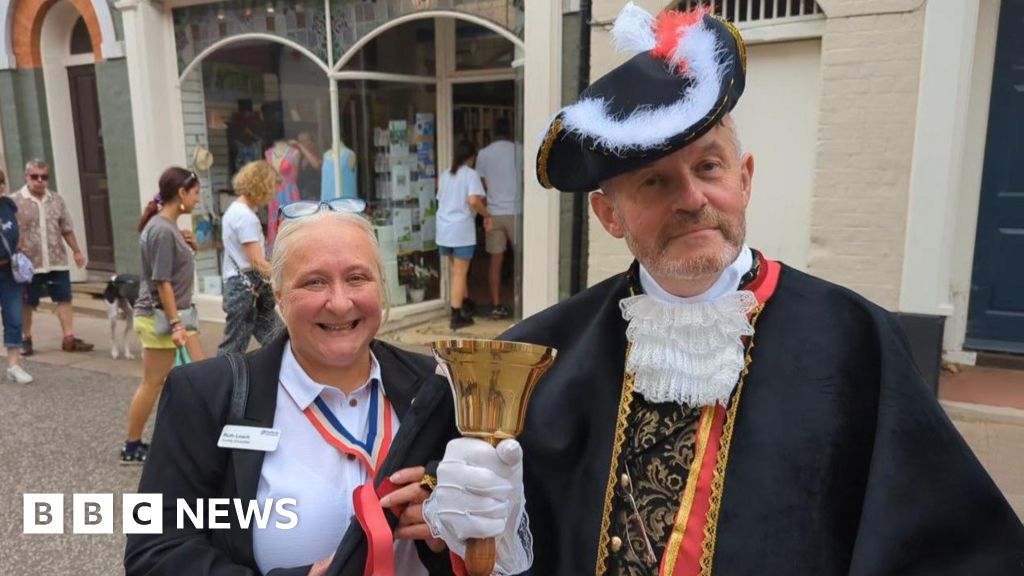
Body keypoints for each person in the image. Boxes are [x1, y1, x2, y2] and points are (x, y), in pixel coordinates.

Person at [379, 5, 1024, 575]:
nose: (692, 200)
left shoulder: (856, 342)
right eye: (654, 183)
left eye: (708, 167)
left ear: (743, 179)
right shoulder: (545, 359)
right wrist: (493, 540)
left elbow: (949, 547)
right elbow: (475, 543)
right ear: (611, 217)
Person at [125, 206, 456, 576]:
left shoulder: (437, 385)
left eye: (357, 277)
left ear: (381, 286)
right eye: (314, 282)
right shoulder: (205, 394)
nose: (341, 302)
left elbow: (484, 538)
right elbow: (155, 552)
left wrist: (452, 531)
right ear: (279, 295)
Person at [122, 167, 206, 464]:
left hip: (177, 315)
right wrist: (175, 324)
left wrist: (190, 247)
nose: (198, 198)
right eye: (195, 192)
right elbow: (162, 281)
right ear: (181, 194)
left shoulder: (168, 228)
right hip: (162, 318)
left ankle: (201, 441)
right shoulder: (160, 229)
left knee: (203, 376)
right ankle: (131, 445)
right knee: (153, 382)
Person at [13, 159, 92, 355]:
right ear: (27, 177)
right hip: (29, 263)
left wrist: (77, 251)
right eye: (35, 177)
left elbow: (66, 228)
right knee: (27, 302)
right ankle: (26, 338)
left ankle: (69, 337)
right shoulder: (14, 201)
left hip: (57, 260)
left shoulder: (56, 200)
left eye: (44, 177)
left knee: (64, 298)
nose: (40, 181)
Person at [217, 160, 279, 355]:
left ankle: (284, 368)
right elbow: (256, 261)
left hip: (240, 284)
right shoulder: (246, 218)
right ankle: (222, 380)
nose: (272, 196)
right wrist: (282, 277)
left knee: (274, 336)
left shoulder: (234, 211)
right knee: (236, 343)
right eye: (271, 189)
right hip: (248, 285)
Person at [436, 140, 490, 329]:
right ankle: (456, 316)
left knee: (457, 272)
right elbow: (474, 200)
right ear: (472, 157)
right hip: (461, 230)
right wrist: (487, 215)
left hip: (444, 230)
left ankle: (465, 303)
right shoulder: (470, 175)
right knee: (460, 273)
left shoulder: (445, 175)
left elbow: (441, 199)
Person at [474, 117, 521, 320]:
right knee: (522, 259)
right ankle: (525, 301)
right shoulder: (519, 149)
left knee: (495, 261)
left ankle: (496, 305)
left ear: (493, 133)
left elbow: (482, 183)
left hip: (493, 212)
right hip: (516, 211)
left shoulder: (484, 154)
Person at [0, 169, 32, 384]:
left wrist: (19, 248)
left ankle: (14, 364)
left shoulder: (9, 205)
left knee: (13, 316)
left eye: (1, 182)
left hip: (8, 272)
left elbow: (18, 230)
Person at [293, 131, 323, 202]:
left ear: (311, 142)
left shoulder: (318, 156)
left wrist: (300, 146)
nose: (301, 143)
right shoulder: (298, 158)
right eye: (299, 141)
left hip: (316, 197)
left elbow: (317, 165)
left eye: (304, 141)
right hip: (301, 197)